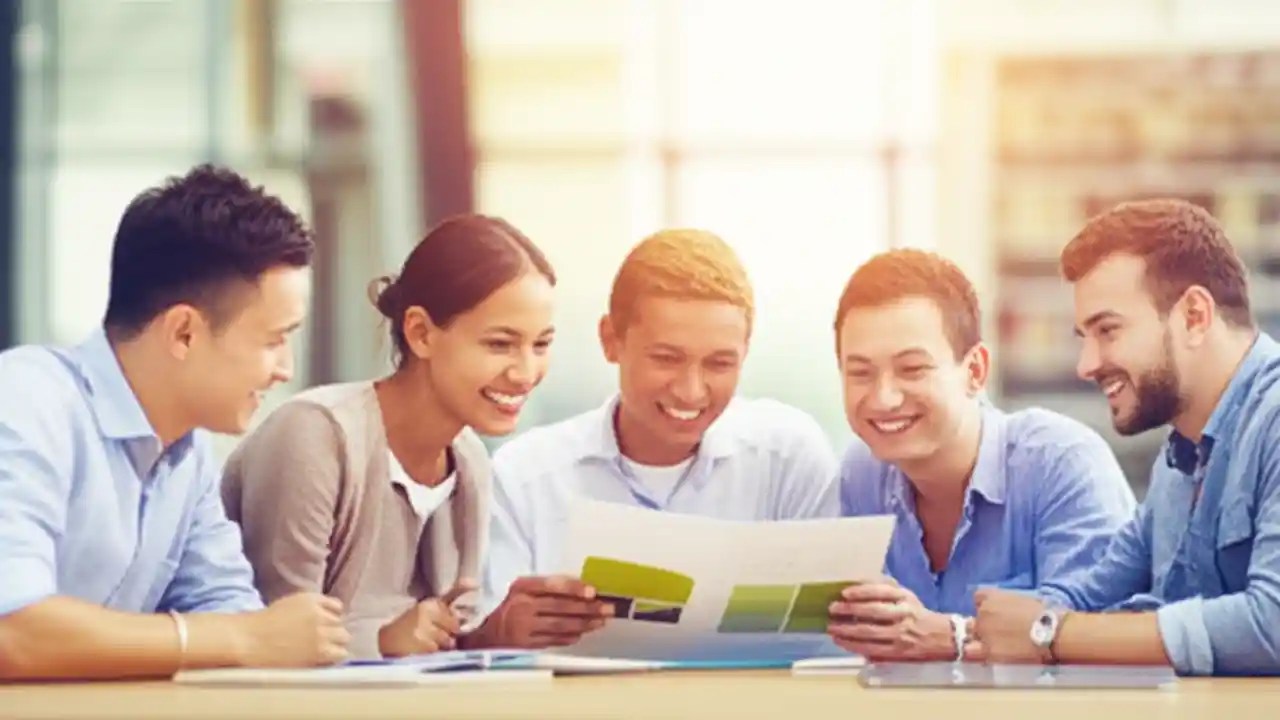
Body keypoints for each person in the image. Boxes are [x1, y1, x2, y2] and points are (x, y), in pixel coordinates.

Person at [0, 165, 349, 681]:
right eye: (274, 339)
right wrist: (244, 638)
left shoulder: (185, 456)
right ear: (184, 332)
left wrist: (260, 637)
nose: (286, 369)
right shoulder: (26, 402)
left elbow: (234, 618)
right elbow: (12, 631)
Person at [468, 228, 840, 650]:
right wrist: (501, 633)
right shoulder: (524, 476)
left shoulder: (788, 458)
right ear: (611, 341)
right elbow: (485, 647)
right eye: (666, 358)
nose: (691, 391)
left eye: (719, 363)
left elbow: (825, 640)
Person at [222, 215, 557, 660]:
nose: (525, 372)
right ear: (420, 333)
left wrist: (493, 634)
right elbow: (276, 635)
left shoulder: (469, 460)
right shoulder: (315, 436)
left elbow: (442, 639)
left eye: (541, 345)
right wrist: (379, 641)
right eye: (499, 344)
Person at [974, 198, 1280, 676]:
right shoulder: (1179, 458)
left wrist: (1050, 634)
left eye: (1108, 330)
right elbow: (1091, 595)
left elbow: (1272, 625)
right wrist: (960, 633)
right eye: (1083, 337)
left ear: (1195, 316)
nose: (1086, 364)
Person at [825, 249, 1135, 662]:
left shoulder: (1061, 463)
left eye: (913, 369)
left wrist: (952, 636)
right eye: (860, 373)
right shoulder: (860, 474)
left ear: (975, 371)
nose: (884, 398)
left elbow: (1101, 635)